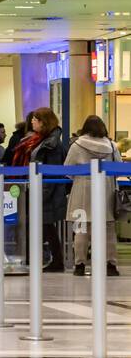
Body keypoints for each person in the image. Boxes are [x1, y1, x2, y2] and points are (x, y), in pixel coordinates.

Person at [11, 107, 68, 272]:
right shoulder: (40, 140)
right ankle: (48, 260)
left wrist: (42, 194)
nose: (32, 122)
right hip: (38, 189)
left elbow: (51, 171)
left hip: (45, 192)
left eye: (35, 119)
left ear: (44, 122)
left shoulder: (51, 144)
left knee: (46, 227)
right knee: (44, 227)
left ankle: (55, 261)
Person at [66, 115, 120, 277]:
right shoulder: (111, 145)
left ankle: (80, 265)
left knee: (82, 229)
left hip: (82, 189)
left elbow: (68, 168)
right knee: (108, 228)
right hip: (106, 189)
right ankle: (110, 264)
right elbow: (117, 168)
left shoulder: (77, 145)